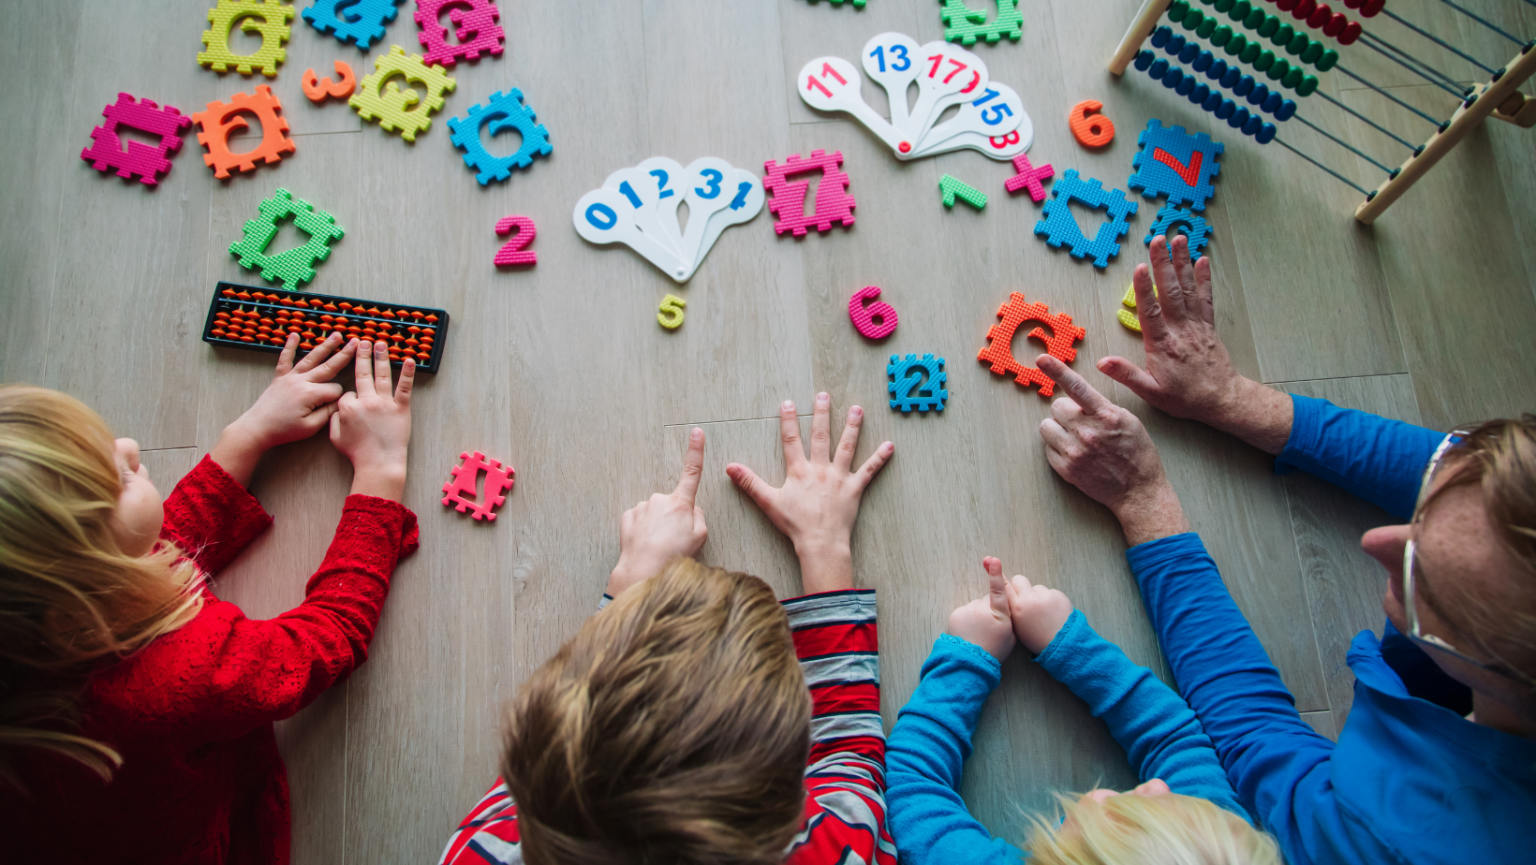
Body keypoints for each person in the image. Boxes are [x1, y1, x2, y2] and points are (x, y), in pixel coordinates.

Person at [1031, 235, 1536, 865]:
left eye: (1423, 577)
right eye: (1427, 505)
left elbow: (1257, 740)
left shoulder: (1384, 840)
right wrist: (1233, 399)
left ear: (1492, 667)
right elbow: (1469, 480)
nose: (1379, 540)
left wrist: (1143, 501)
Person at [1, 334, 419, 865]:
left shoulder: (35, 615)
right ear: (89, 575)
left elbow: (153, 548)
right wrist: (382, 470)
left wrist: (248, 434)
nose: (129, 446)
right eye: (119, 478)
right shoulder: (185, 673)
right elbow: (326, 638)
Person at [439, 395, 900, 865]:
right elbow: (848, 763)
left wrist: (632, 581)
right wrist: (824, 546)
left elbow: (559, 749)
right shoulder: (833, 850)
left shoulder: (488, 849)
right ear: (784, 810)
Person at [886, 557, 1281, 865]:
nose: (1162, 787)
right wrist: (1068, 644)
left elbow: (912, 786)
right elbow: (1172, 738)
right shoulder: (1215, 842)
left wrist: (968, 660)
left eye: (1132, 811)